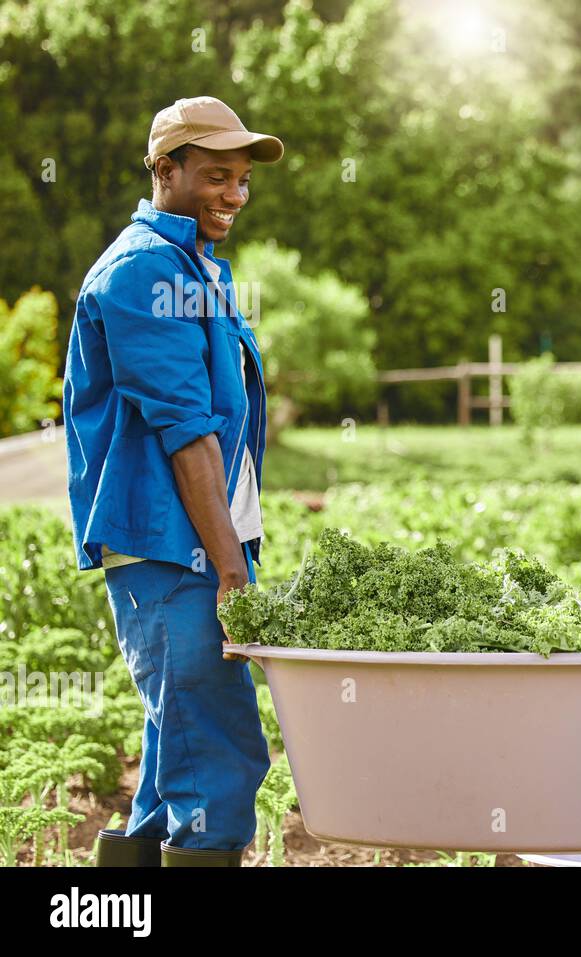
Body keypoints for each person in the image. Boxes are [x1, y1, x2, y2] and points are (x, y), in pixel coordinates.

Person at [63, 96, 283, 867]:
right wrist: (230, 570)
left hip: (200, 544)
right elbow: (187, 435)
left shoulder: (193, 265)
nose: (234, 195)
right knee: (217, 757)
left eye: (244, 179)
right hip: (172, 548)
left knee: (173, 756)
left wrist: (239, 549)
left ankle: (121, 895)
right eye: (217, 176)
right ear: (166, 169)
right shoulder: (141, 272)